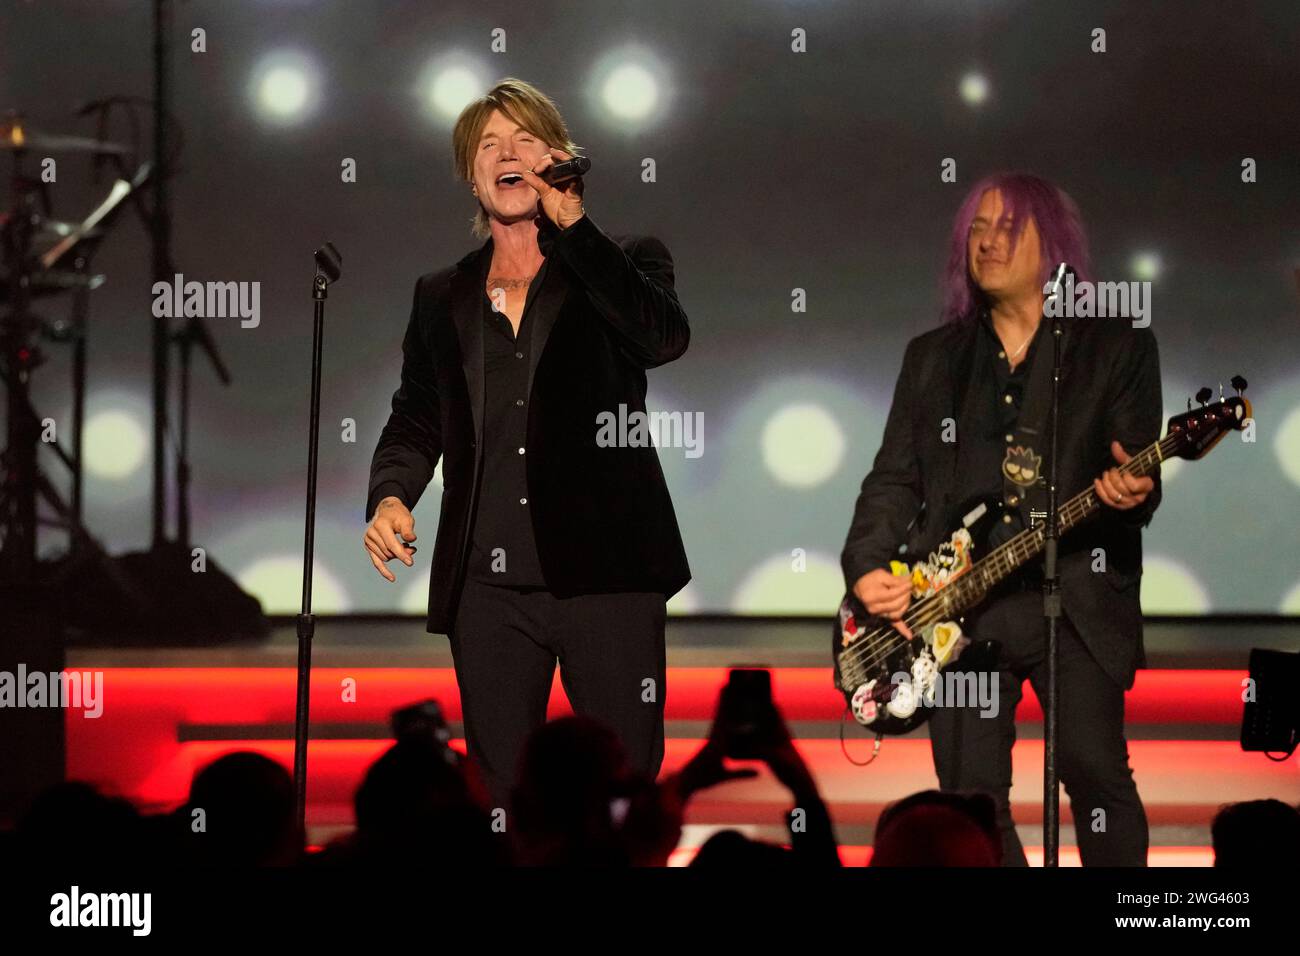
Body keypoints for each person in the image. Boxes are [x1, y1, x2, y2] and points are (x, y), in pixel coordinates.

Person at [363, 78, 691, 810]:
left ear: (559, 159)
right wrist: (390, 495)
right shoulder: (441, 292)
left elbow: (662, 338)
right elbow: (419, 413)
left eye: (526, 140)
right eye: (489, 145)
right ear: (470, 174)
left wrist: (575, 230)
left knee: (623, 791)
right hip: (487, 587)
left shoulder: (623, 260)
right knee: (504, 802)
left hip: (606, 574)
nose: (507, 154)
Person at [841, 172, 1161, 866]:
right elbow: (895, 477)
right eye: (976, 229)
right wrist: (867, 566)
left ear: (1054, 245)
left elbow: (1139, 470)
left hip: (1071, 598)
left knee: (1098, 782)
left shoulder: (1115, 347)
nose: (986, 243)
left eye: (1007, 227)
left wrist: (1135, 487)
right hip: (956, 614)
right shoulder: (933, 359)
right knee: (969, 802)